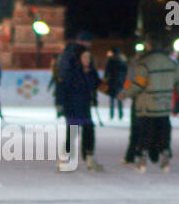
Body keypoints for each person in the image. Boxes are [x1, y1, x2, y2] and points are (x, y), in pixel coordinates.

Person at [122, 35, 179, 172]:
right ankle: (165, 159)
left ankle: (142, 161)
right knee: (163, 132)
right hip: (164, 106)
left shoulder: (145, 62)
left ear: (149, 46)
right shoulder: (171, 63)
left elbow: (139, 84)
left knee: (145, 133)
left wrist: (126, 94)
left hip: (147, 106)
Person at [55, 41, 103, 171]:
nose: (87, 60)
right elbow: (62, 88)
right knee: (72, 133)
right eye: (85, 57)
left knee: (89, 131)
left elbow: (99, 85)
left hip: (84, 107)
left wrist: (115, 92)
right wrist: (59, 104)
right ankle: (64, 159)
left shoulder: (91, 72)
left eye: (89, 57)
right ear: (79, 58)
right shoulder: (71, 72)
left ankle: (89, 158)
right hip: (72, 107)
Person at [104, 48, 128, 120]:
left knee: (112, 99)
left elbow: (107, 72)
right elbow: (125, 72)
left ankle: (112, 115)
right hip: (120, 82)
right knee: (119, 99)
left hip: (112, 82)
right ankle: (120, 114)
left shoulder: (110, 61)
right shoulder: (123, 61)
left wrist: (106, 80)